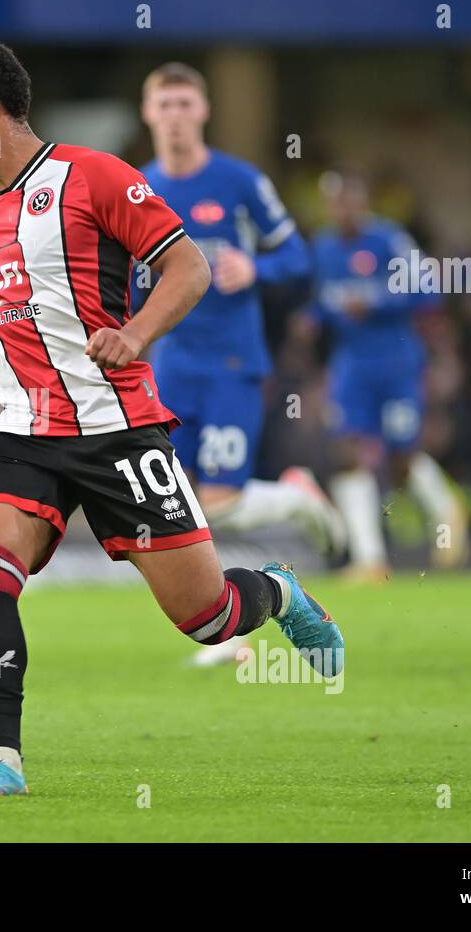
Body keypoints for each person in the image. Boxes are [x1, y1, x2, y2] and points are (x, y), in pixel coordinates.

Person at [0, 38, 344, 799]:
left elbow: (191, 265)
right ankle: (2, 764)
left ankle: (280, 591)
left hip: (117, 427)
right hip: (22, 431)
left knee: (207, 617)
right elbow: (1, 340)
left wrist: (137, 334)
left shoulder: (92, 177)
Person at [136, 62, 345, 664]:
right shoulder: (137, 187)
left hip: (232, 364)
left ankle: (296, 497)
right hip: (171, 364)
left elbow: (299, 261)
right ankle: (226, 627)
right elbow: (126, 276)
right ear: (149, 114)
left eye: (184, 104)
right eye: (164, 105)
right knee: (180, 506)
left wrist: (258, 269)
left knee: (219, 497)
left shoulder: (240, 182)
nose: (174, 116)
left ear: (202, 112)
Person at [304, 168, 467, 578]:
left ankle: (446, 509)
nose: (342, 208)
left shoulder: (389, 240)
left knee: (400, 455)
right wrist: (309, 318)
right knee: (347, 452)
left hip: (395, 362)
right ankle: (369, 560)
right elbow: (325, 302)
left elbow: (429, 290)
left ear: (363, 202)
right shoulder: (322, 248)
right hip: (351, 366)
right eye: (335, 201)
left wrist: (375, 303)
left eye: (349, 199)